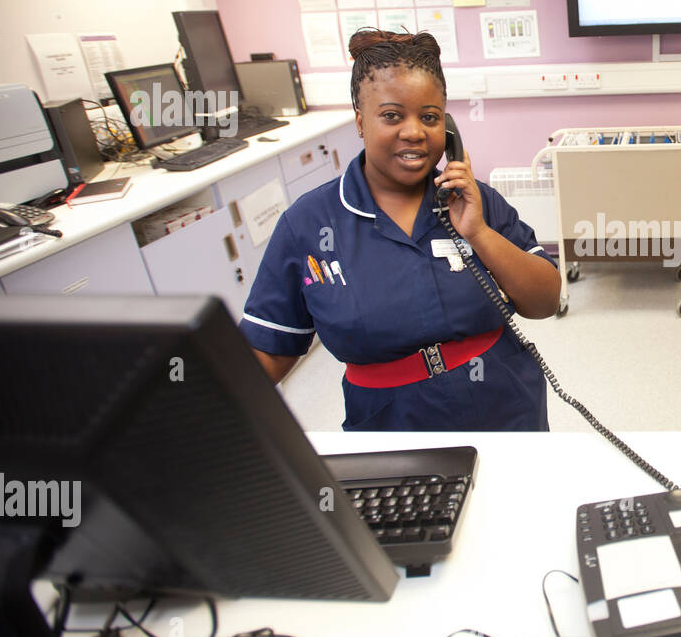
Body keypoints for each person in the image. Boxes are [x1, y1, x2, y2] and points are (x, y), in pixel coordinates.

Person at [239, 29, 561, 431]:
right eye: (392, 115)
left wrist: (478, 232)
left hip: (504, 405)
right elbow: (271, 346)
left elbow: (545, 301)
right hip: (389, 422)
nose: (413, 131)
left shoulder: (475, 200)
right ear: (360, 121)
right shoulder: (308, 224)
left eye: (429, 117)